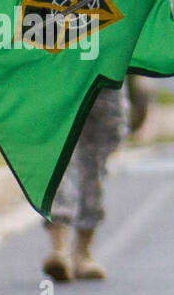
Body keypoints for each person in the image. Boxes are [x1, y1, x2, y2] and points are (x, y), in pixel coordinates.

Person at [41, 88, 129, 281]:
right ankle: (61, 249)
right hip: (60, 69)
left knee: (94, 161)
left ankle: (82, 252)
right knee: (59, 156)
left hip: (105, 75)